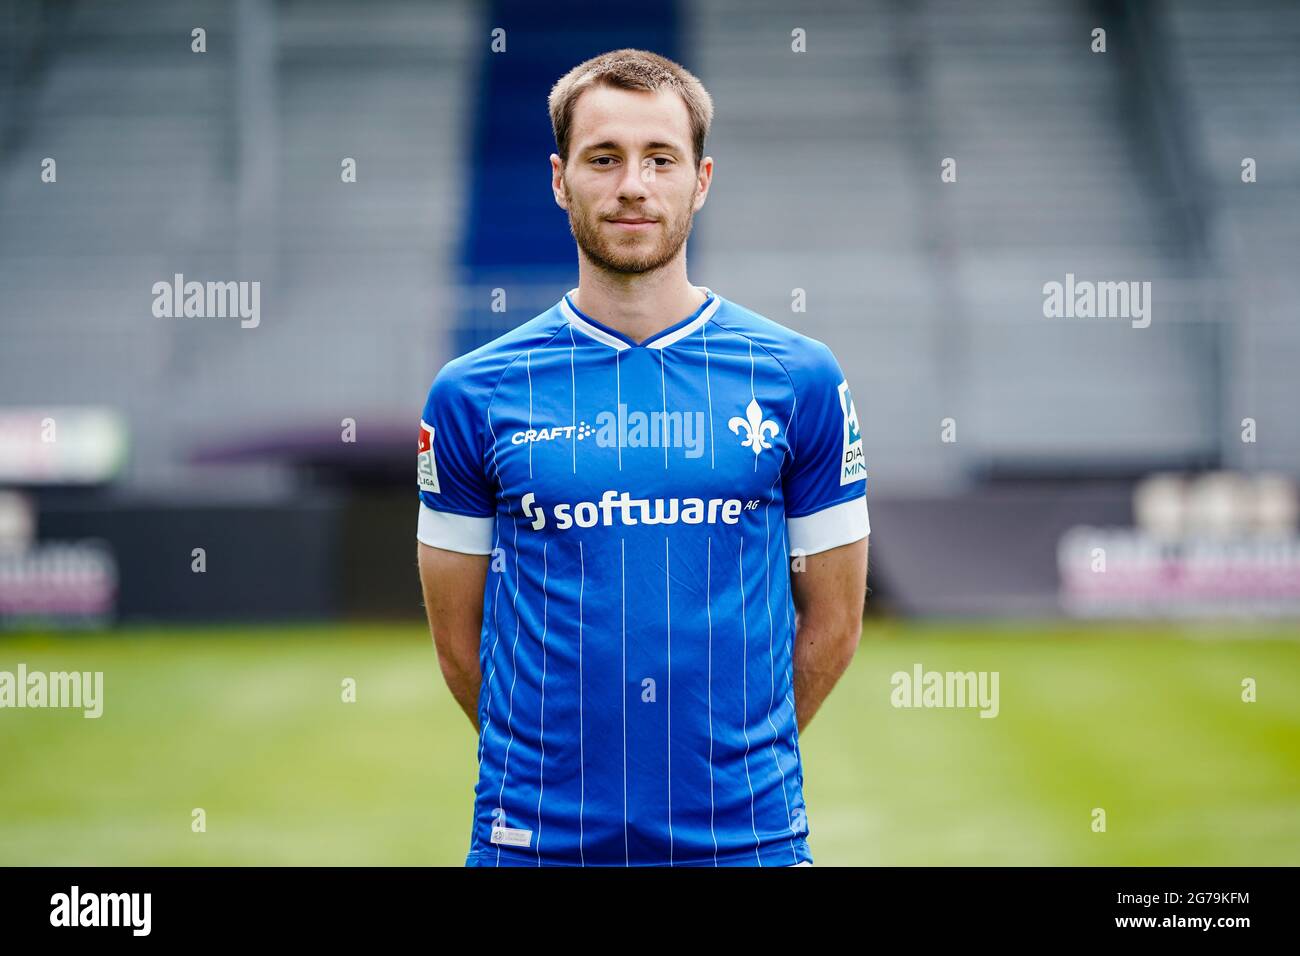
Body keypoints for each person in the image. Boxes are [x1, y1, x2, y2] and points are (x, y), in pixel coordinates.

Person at [417, 48, 869, 866]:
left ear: (700, 179)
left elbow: (833, 626)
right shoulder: (471, 393)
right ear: (560, 179)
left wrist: (724, 773)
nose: (633, 184)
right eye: (604, 158)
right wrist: (555, 779)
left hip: (747, 842)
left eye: (660, 158)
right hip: (535, 844)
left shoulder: (799, 378)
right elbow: (459, 645)